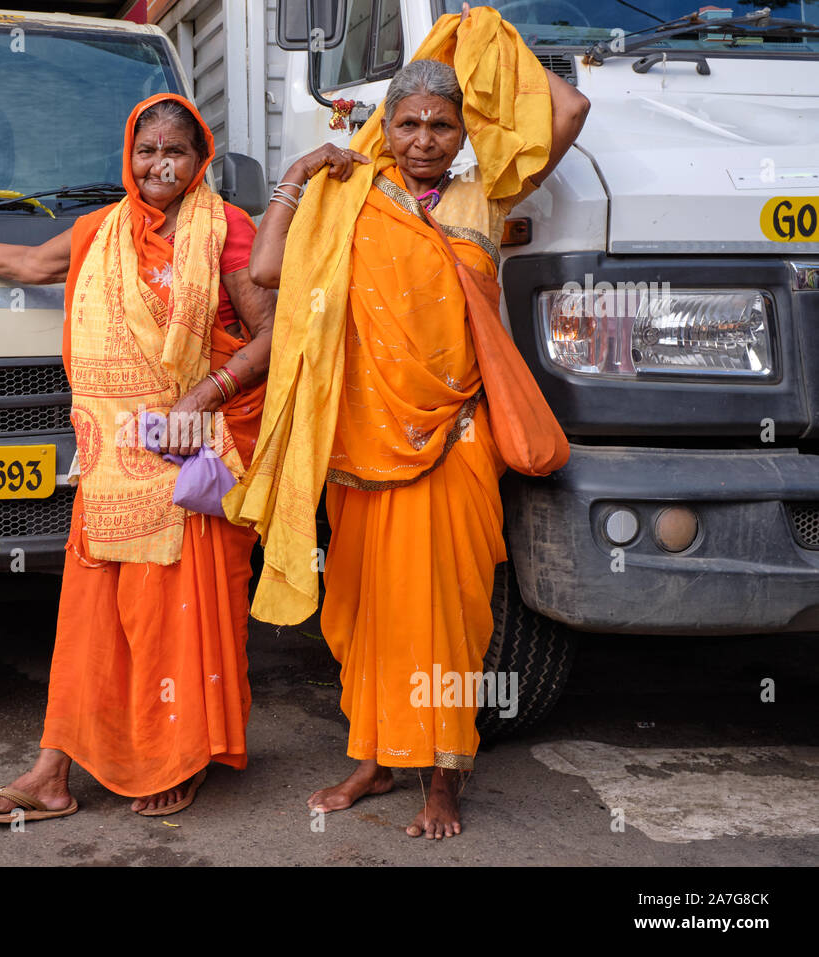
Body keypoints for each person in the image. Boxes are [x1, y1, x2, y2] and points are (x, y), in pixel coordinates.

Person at [230, 5, 589, 839]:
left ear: (464, 133)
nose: (424, 138)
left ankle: (443, 780)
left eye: (440, 124)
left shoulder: (486, 194)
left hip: (456, 440)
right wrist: (301, 175)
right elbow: (269, 268)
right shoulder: (348, 194)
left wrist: (481, 32)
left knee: (451, 620)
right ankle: (375, 757)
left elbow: (567, 112)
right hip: (364, 444)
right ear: (383, 128)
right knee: (366, 614)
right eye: (408, 122)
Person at [0, 93, 275, 819]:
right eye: (147, 150)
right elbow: (31, 263)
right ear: (130, 154)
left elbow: (272, 335)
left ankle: (180, 755)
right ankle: (51, 771)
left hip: (188, 459)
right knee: (91, 621)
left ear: (199, 158)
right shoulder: (103, 230)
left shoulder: (229, 230)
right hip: (110, 461)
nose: (160, 164)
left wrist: (204, 395)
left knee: (170, 620)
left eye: (175, 151)